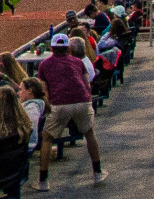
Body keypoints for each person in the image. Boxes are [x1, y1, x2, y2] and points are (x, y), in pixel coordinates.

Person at [36, 34, 105, 185]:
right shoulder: (77, 62)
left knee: (47, 138)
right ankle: (97, 172)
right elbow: (87, 84)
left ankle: (43, 181)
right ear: (68, 48)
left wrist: (48, 108)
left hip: (60, 103)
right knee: (90, 134)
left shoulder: (45, 65)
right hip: (82, 101)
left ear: (52, 48)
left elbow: (44, 90)